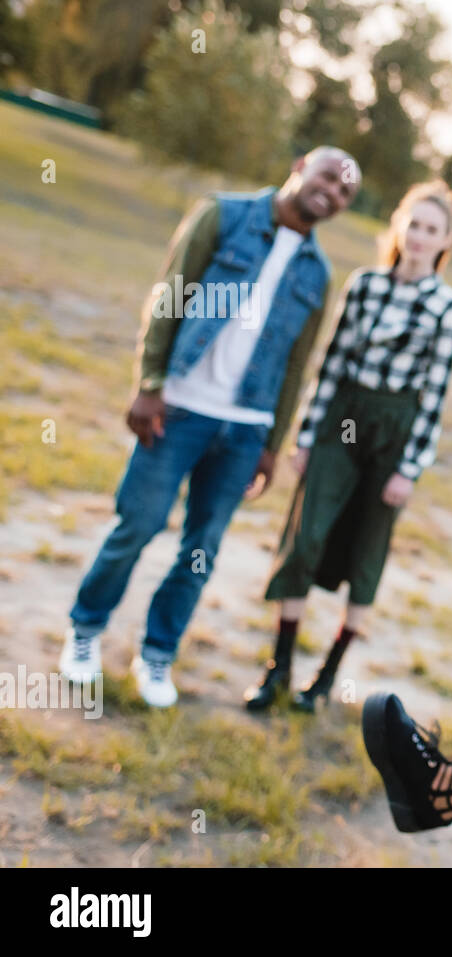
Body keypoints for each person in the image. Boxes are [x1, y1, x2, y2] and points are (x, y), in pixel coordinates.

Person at [59, 147, 360, 708]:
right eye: (328, 177)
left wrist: (272, 446)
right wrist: (150, 383)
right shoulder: (222, 217)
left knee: (202, 551)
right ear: (298, 166)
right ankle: (84, 633)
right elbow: (169, 295)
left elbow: (298, 365)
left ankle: (157, 654)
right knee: (138, 526)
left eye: (346, 192)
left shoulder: (318, 273)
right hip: (180, 409)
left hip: (244, 431)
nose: (333, 192)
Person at [244, 182, 452, 712]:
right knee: (306, 538)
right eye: (413, 224)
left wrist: (409, 468)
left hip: (395, 428)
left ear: (445, 241)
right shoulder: (364, 285)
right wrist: (305, 435)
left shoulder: (447, 307)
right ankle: (279, 667)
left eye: (431, 230)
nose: (419, 237)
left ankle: (326, 677)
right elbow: (331, 365)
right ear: (398, 226)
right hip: (344, 417)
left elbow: (434, 394)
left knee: (367, 549)